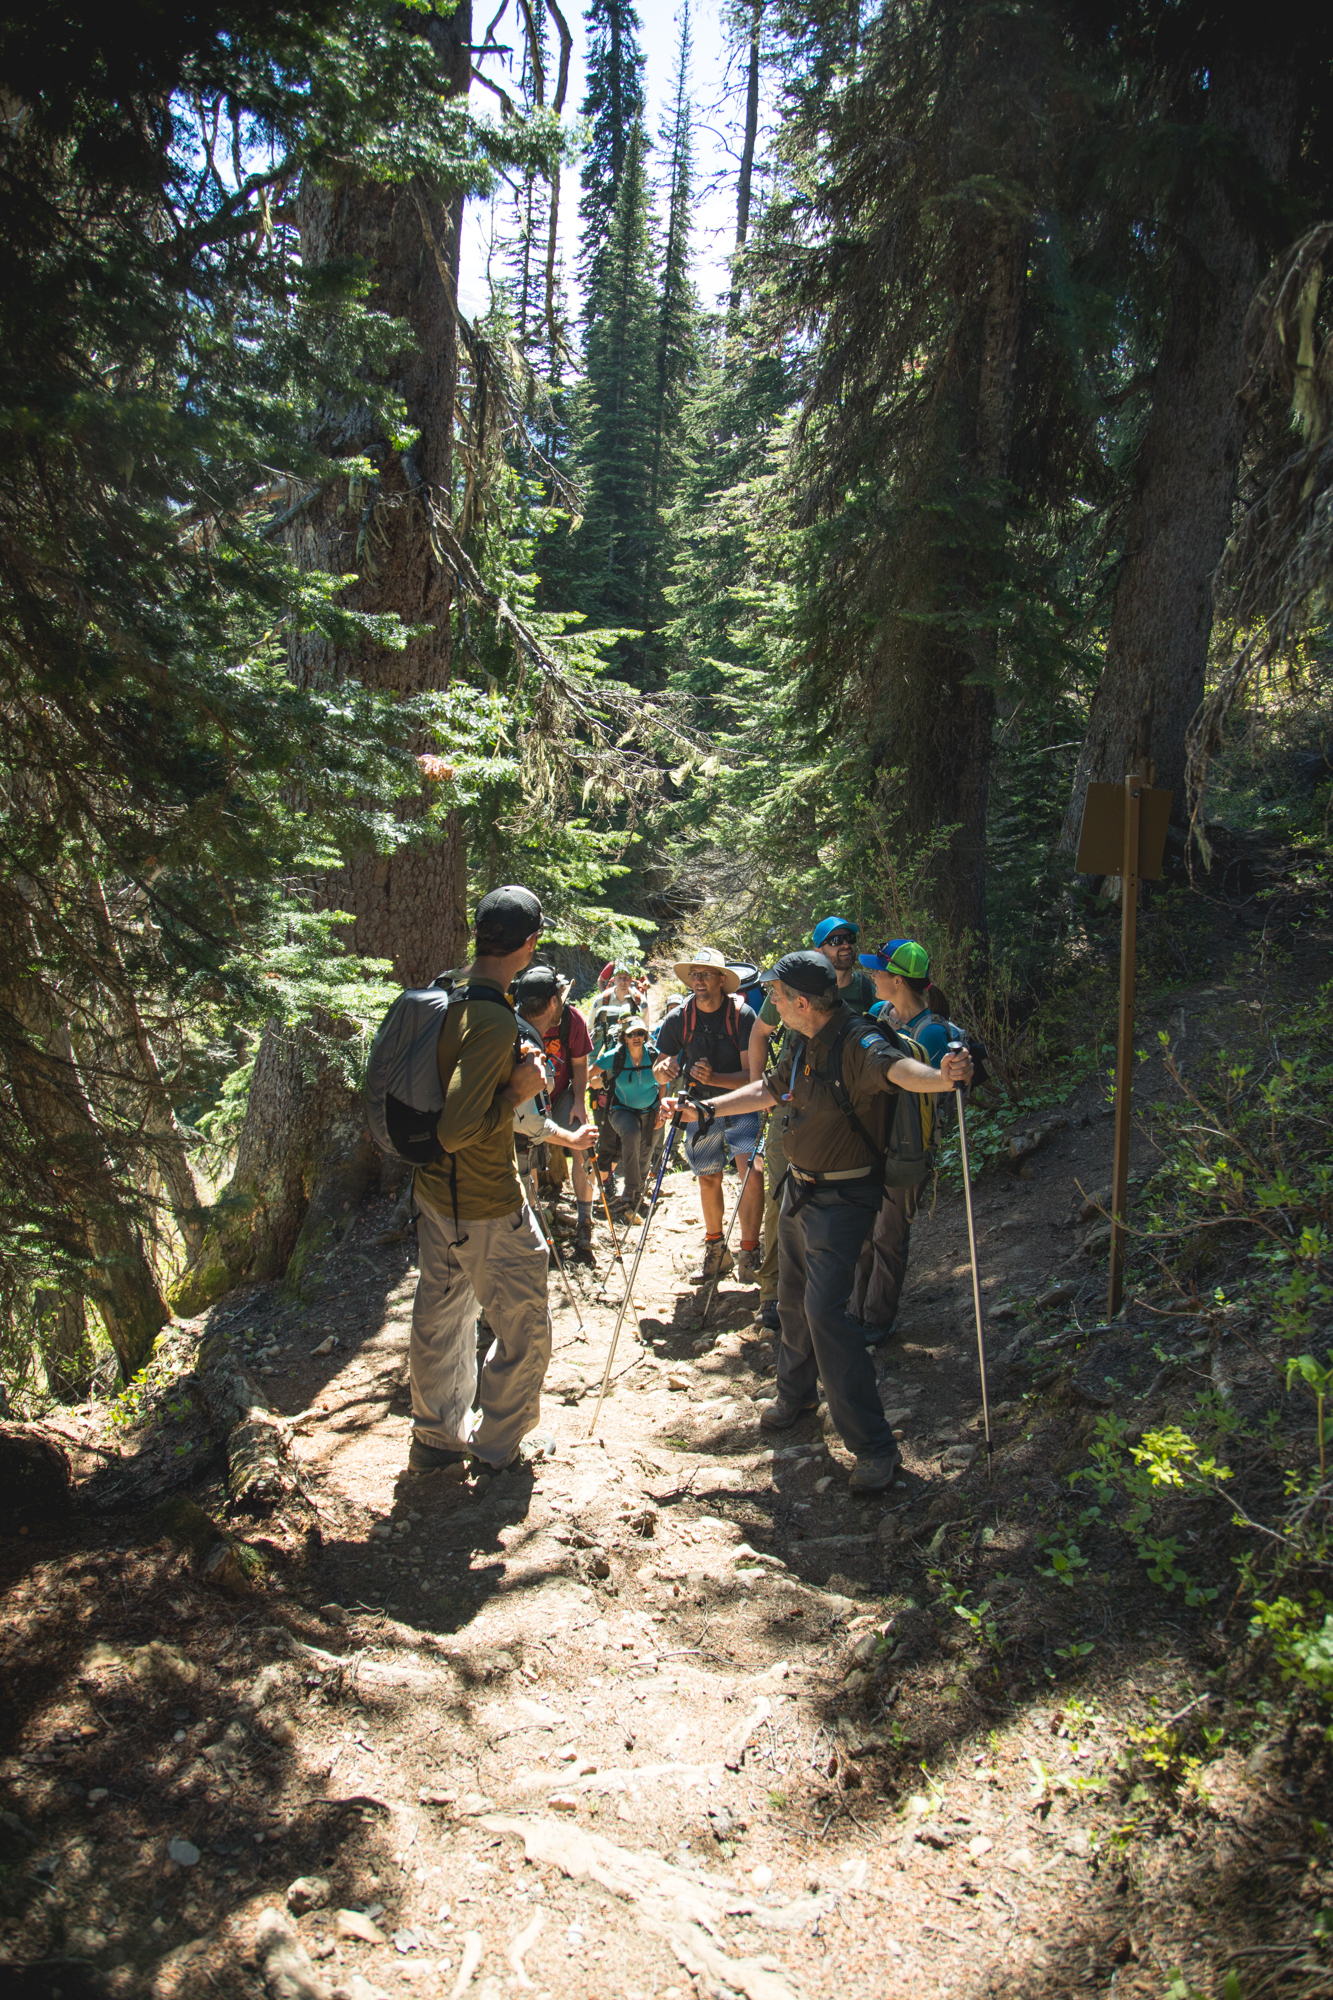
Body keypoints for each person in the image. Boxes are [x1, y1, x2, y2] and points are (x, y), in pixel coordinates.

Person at [670, 950, 971, 1492]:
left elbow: (899, 1072)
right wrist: (707, 1111)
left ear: (802, 1001)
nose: (771, 1004)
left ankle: (874, 1447)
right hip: (799, 1192)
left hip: (844, 1198)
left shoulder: (859, 1041)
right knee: (791, 1301)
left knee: (827, 1314)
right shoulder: (802, 1038)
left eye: (778, 997)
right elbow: (771, 1090)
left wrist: (943, 1078)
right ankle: (796, 1396)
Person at [407, 884, 554, 1480]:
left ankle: (437, 1436)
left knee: (441, 1314)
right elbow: (458, 1127)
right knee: (525, 1321)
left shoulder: (448, 992)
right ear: (529, 945)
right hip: (486, 1201)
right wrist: (519, 1092)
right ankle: (497, 1447)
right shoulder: (491, 1017)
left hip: (436, 1194)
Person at [747, 916, 879, 1330]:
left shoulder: (863, 988)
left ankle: (843, 1298)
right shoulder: (792, 986)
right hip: (791, 1094)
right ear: (819, 948)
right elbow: (758, 1034)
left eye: (849, 939)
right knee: (781, 1191)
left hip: (843, 1107)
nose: (845, 946)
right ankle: (773, 1293)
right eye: (835, 940)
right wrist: (760, 1093)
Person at [849, 937, 955, 1341]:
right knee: (861, 1231)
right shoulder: (878, 1012)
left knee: (888, 1235)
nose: (871, 974)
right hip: (869, 1141)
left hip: (906, 1148)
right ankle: (854, 1310)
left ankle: (876, 1318)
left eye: (878, 970)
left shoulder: (932, 1035)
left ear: (897, 980)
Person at [652, 947, 761, 1284]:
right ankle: (716, 1250)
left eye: (706, 974)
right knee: (708, 1176)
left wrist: (715, 1079)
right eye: (694, 975)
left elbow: (754, 1076)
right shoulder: (678, 1019)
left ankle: (750, 1252)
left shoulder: (743, 1017)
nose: (698, 980)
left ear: (721, 980)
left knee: (751, 1172)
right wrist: (663, 1069)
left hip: (740, 1103)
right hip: (698, 1109)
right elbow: (658, 1069)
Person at [512, 965, 597, 1263]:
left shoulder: (572, 1020)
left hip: (560, 1095)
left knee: (583, 1147)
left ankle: (584, 1221)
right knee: (529, 1153)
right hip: (526, 1103)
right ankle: (535, 1227)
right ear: (551, 1001)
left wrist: (578, 1102)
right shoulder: (517, 1030)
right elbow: (530, 1121)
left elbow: (579, 1066)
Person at [590, 1014, 660, 1215]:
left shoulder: (654, 1055)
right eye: (631, 1034)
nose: (636, 1037)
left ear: (645, 1035)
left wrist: (661, 1108)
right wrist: (601, 1081)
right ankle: (630, 1189)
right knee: (631, 1134)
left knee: (647, 1150)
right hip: (621, 1109)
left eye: (640, 1033)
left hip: (651, 1109)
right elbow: (588, 1074)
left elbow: (664, 1080)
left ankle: (637, 1194)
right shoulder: (614, 1056)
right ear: (624, 1038)